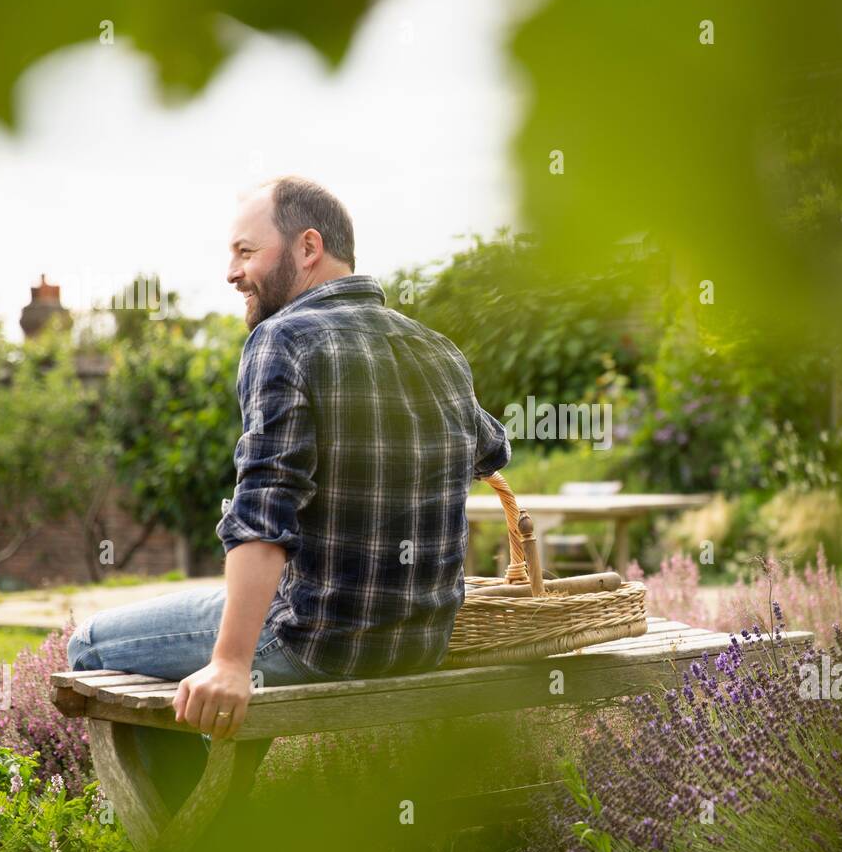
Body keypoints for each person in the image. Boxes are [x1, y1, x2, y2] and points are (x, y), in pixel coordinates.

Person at [67, 176, 510, 802]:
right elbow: (491, 450)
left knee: (88, 643)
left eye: (246, 253)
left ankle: (195, 827)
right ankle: (215, 801)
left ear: (308, 248)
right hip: (418, 642)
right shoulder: (438, 351)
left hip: (316, 641)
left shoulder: (283, 339)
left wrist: (229, 664)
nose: (230, 273)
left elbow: (263, 509)